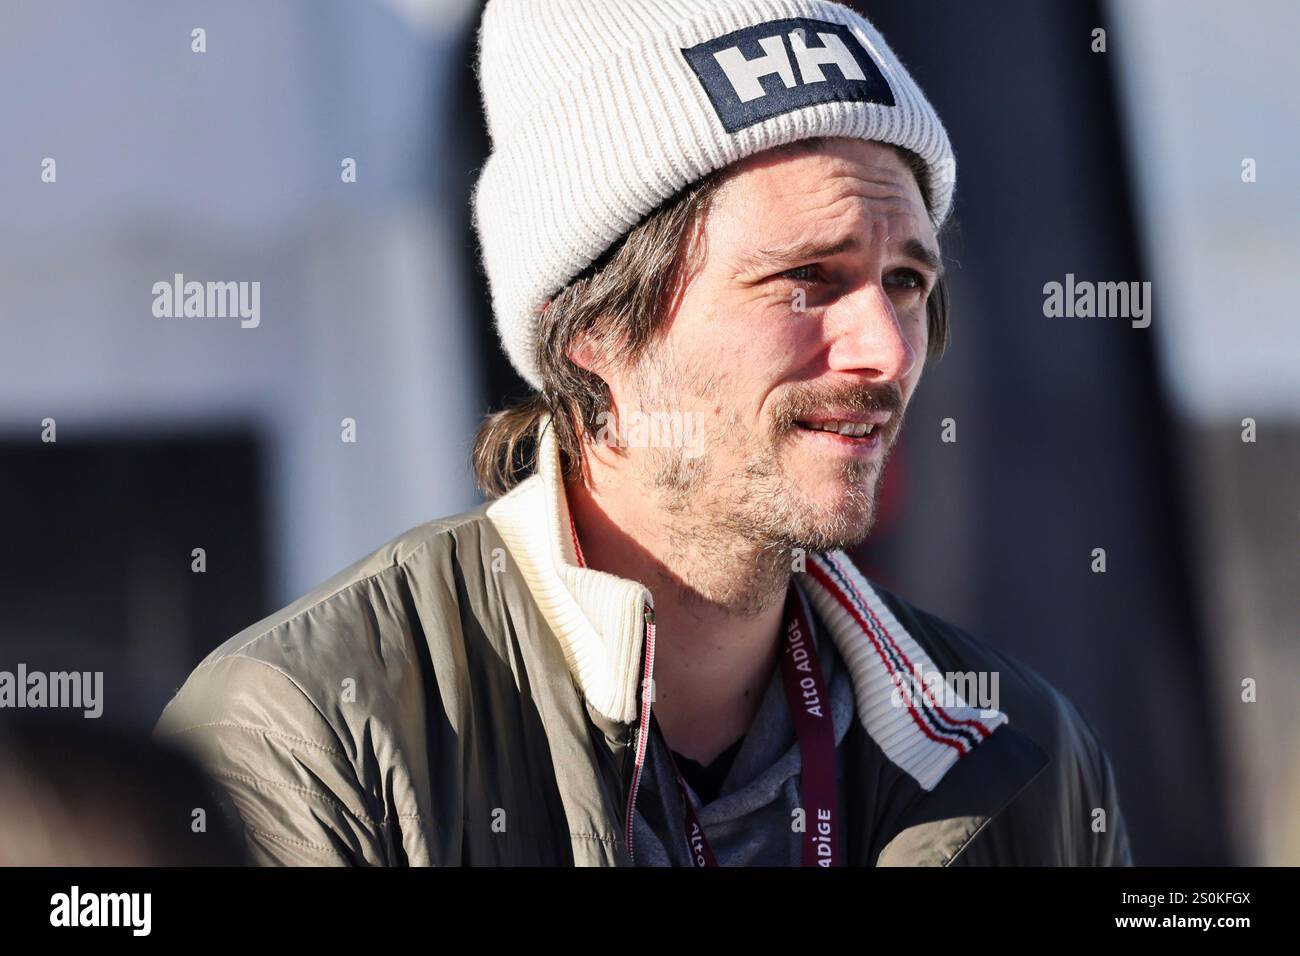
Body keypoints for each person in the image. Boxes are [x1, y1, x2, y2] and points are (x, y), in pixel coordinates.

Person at [154, 0, 1133, 866]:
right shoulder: (307, 733)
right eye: (806, 280)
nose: (883, 347)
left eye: (907, 282)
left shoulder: (1020, 747)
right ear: (592, 332)